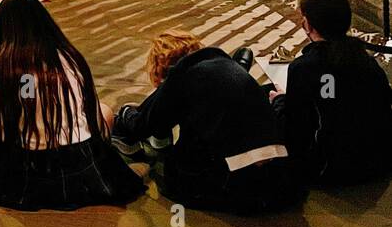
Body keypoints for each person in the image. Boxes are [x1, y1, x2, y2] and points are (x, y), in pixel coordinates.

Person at [0, 0, 143, 211]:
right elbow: (86, 109)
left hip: (20, 162)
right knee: (105, 109)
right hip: (74, 158)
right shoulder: (69, 58)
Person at [112, 32, 300, 213]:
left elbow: (143, 125)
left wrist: (125, 113)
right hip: (282, 181)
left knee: (172, 169)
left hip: (238, 188)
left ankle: (145, 145)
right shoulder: (221, 64)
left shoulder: (181, 77)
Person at [272, 0, 392, 186]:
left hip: (329, 169)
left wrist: (279, 102)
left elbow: (296, 130)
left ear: (307, 24)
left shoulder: (303, 68)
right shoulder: (367, 61)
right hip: (376, 163)